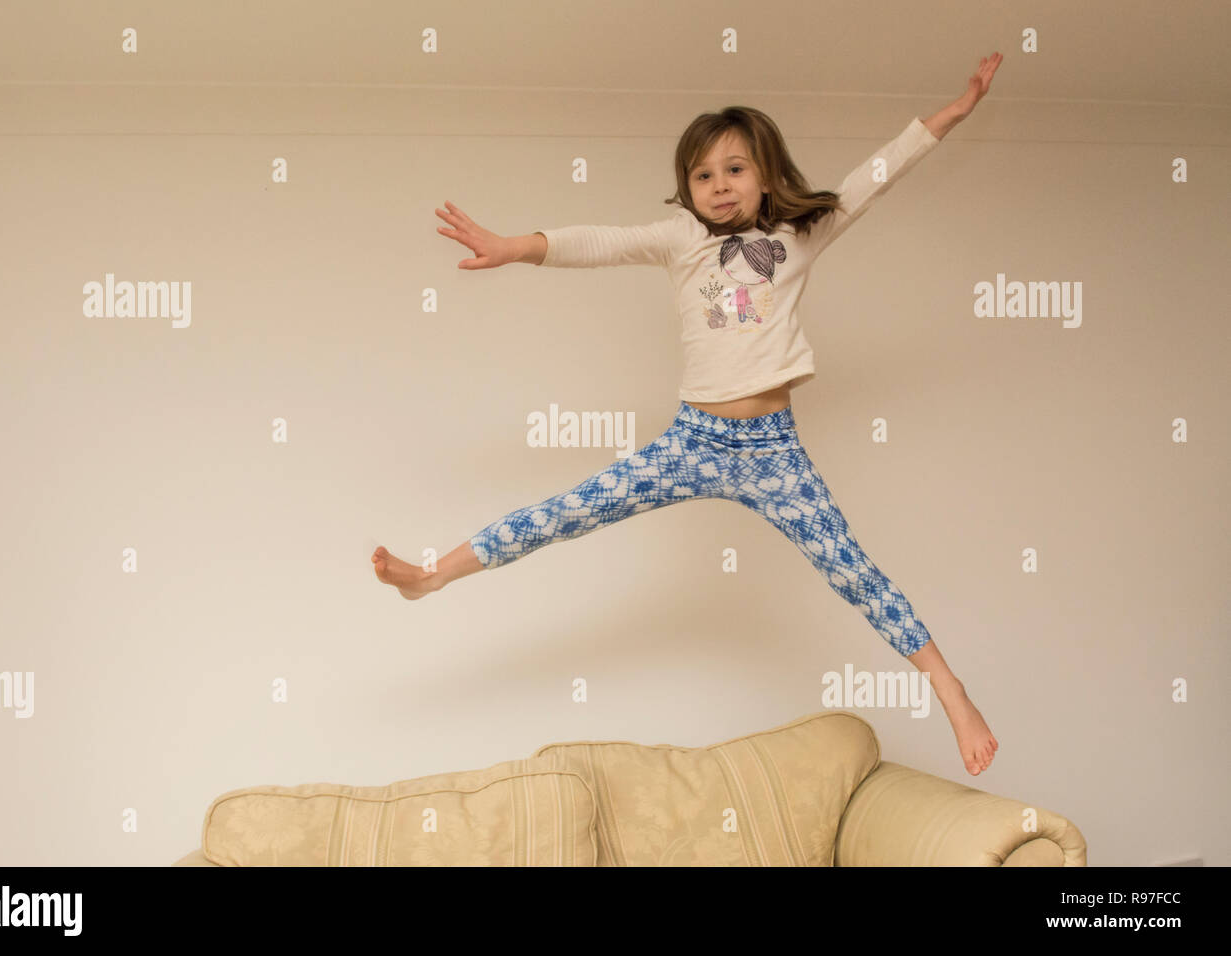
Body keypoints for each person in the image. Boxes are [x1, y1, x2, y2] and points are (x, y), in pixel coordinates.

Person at [376, 54, 1004, 776]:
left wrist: (950, 114)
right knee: (570, 509)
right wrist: (516, 246)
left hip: (773, 452)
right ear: (688, 190)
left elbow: (874, 176)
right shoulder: (681, 242)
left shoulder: (801, 236)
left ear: (766, 174)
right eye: (703, 176)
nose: (719, 186)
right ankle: (433, 574)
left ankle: (950, 690)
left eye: (735, 169)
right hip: (694, 441)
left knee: (851, 569)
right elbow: (600, 241)